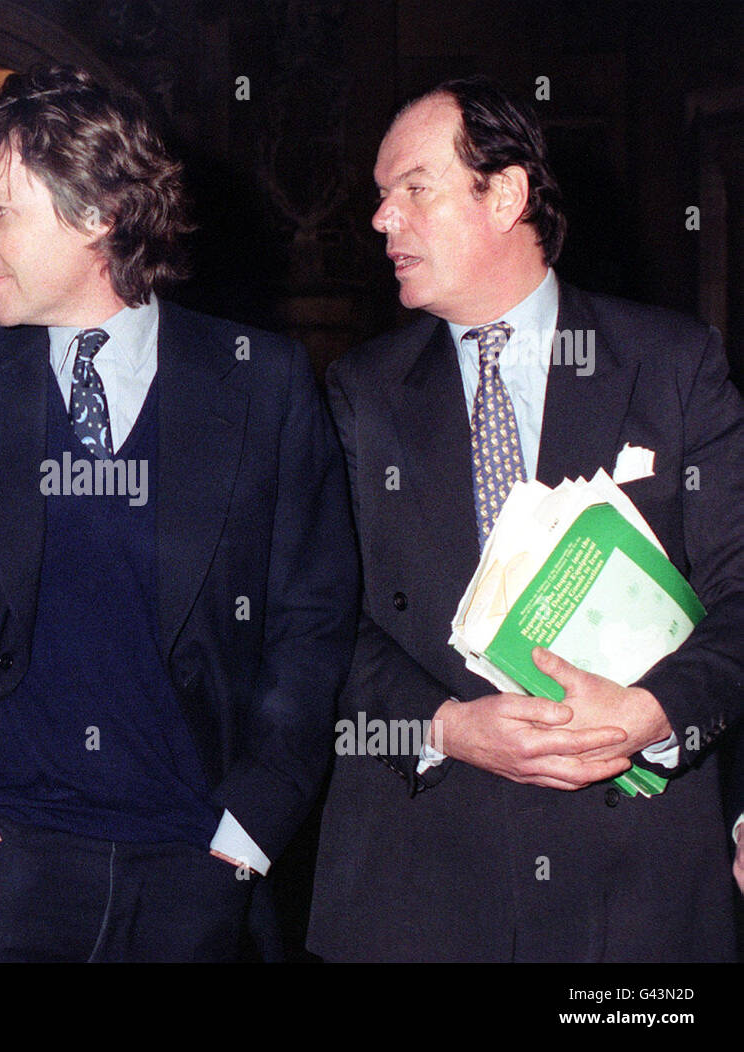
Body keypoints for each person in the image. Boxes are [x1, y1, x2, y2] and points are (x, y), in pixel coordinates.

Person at [0, 65, 357, 962]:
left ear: (96, 214)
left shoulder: (261, 382)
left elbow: (313, 622)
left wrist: (245, 834)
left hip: (196, 876)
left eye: (1, 212)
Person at [308, 76, 744, 962]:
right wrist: (445, 726)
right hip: (422, 884)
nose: (384, 220)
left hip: (638, 886)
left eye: (413, 189)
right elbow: (315, 625)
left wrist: (654, 713)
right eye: (381, 198)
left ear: (503, 194)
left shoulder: (672, 364)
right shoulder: (359, 394)